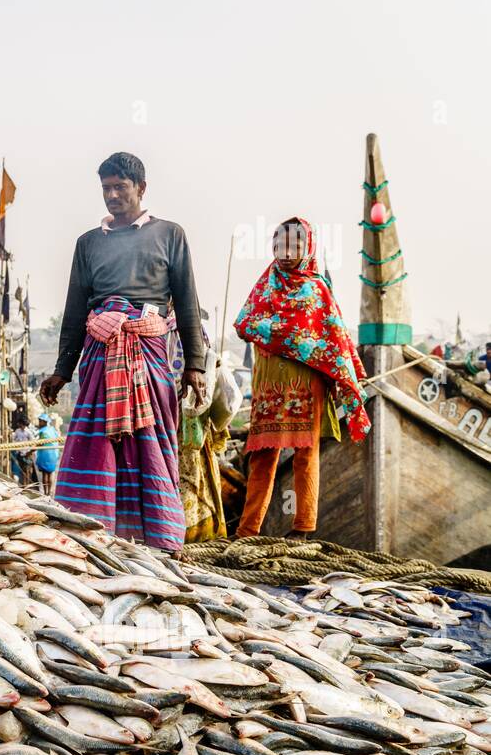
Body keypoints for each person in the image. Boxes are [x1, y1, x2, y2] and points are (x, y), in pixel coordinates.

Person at [39, 152, 206, 553]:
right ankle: (92, 533)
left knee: (150, 439)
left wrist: (195, 366)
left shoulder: (170, 234)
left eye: (120, 187)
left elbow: (186, 303)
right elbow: (77, 309)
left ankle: (157, 539)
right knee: (94, 442)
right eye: (106, 189)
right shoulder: (88, 243)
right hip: (100, 355)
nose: (112, 195)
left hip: (149, 351)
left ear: (141, 188)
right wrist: (63, 370)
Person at [233, 217, 370, 539]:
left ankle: (303, 528)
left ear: (307, 246)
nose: (285, 252)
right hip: (268, 383)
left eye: (293, 245)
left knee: (305, 454)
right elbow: (244, 323)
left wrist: (282, 337)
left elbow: (334, 340)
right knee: (262, 455)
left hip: (306, 386)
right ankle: (246, 531)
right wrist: (293, 338)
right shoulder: (266, 282)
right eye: (279, 245)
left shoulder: (317, 288)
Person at [179, 342, 241, 542]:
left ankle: (184, 535)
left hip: (185, 430)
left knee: (190, 477)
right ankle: (184, 535)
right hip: (187, 430)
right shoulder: (199, 343)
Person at [34, 412, 61, 497]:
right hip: (53, 454)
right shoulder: (52, 429)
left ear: (44, 422)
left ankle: (46, 492)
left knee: (45, 474)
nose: (39, 423)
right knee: (51, 472)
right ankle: (50, 492)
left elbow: (41, 443)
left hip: (45, 454)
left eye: (40, 421)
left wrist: (30, 451)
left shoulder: (43, 431)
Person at [10, 414, 35, 486]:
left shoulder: (29, 432)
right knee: (22, 470)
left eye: (21, 424)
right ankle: (24, 485)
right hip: (20, 453)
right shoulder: (17, 431)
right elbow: (14, 440)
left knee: (27, 471)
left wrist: (30, 452)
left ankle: (27, 485)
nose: (20, 425)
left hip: (27, 453)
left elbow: (33, 443)